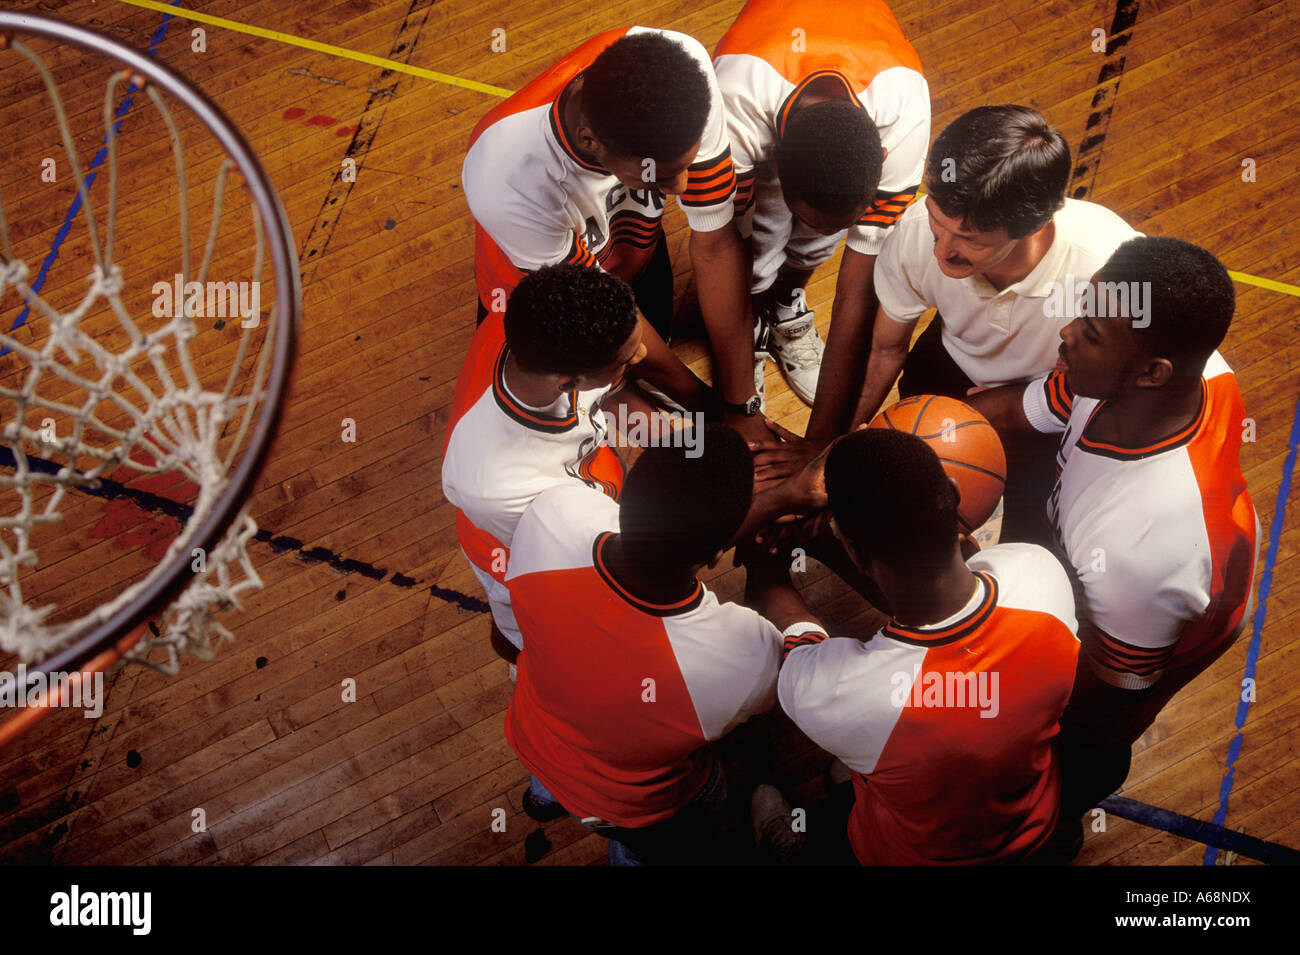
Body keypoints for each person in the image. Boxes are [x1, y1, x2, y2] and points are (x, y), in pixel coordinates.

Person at [968, 236, 1259, 824]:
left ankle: (1058, 823)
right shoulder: (1138, 375)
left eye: (1092, 332)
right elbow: (1018, 412)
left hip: (1150, 623)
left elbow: (1111, 685)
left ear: (1152, 374)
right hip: (1125, 554)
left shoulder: (1146, 550)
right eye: (1081, 311)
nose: (1066, 334)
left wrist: (1001, 719)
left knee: (1073, 748)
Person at [755, 105, 1139, 542]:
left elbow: (1130, 386)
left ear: (1032, 227)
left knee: (1032, 537)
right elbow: (886, 350)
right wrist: (838, 448)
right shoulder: (917, 231)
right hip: (946, 373)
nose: (942, 254)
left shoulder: (1110, 272)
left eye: (969, 241)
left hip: (1050, 403)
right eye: (939, 227)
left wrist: (1029, 403)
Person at [744, 428, 1081, 864]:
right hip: (1034, 825)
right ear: (955, 493)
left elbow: (797, 634)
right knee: (882, 750)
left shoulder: (841, 697)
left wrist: (765, 562)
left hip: (909, 855)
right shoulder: (1038, 573)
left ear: (854, 550)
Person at [463, 28, 764, 441]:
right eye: (662, 173)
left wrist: (741, 407)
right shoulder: (505, 177)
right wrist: (708, 408)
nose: (680, 188)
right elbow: (598, 320)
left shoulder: (681, 71)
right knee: (601, 421)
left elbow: (715, 246)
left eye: (686, 165)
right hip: (547, 305)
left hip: (627, 251)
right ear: (591, 141)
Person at [503, 426, 785, 865]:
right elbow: (780, 676)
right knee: (651, 849)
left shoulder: (553, 513)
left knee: (554, 778)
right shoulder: (746, 656)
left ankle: (545, 799)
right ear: (716, 556)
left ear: (625, 491)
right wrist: (771, 567)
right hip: (636, 809)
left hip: (536, 736)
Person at [712, 0, 929, 421]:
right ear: (771, 161)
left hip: (859, 60)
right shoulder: (733, 103)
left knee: (813, 249)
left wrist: (821, 440)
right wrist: (740, 406)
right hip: (765, 67)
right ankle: (751, 324)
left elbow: (859, 287)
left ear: (882, 157)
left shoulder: (905, 116)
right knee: (757, 245)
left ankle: (786, 301)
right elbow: (718, 247)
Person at [441, 264, 647, 661]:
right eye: (624, 359)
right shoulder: (494, 485)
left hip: (586, 482)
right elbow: (592, 556)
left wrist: (687, 441)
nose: (641, 354)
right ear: (569, 384)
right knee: (525, 637)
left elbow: (614, 398)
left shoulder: (529, 325)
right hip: (519, 553)